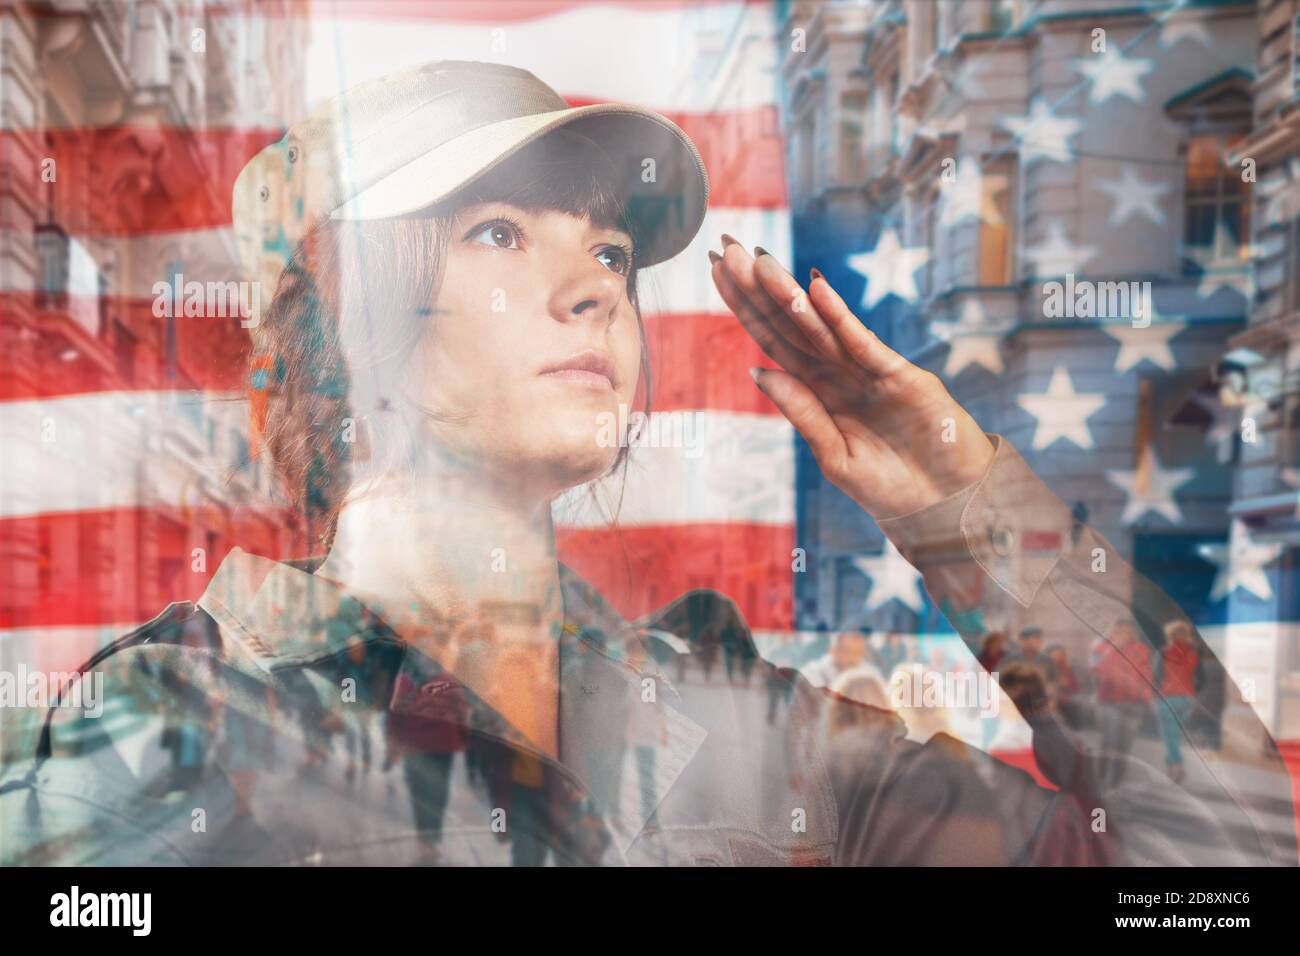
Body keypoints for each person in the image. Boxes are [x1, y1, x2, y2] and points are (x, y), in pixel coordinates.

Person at [2, 60, 1294, 868]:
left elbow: (1221, 857)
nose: (593, 288)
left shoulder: (755, 733)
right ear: (347, 326)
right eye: (498, 233)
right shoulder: (182, 727)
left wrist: (967, 511)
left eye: (610, 252)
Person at [1090, 621, 1152, 786]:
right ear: (1113, 631)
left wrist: (1146, 696)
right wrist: (1113, 648)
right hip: (1109, 701)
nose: (1124, 634)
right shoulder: (1102, 646)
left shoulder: (1141, 648)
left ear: (1132, 633)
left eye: (1127, 631)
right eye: (1119, 631)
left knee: (1124, 746)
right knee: (1108, 741)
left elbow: (1145, 673)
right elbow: (1098, 669)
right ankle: (1099, 779)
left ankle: (1115, 783)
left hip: (1134, 703)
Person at [1157, 621, 1202, 784]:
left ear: (1170, 635)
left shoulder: (1164, 652)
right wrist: (1192, 691)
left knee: (1169, 735)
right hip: (1187, 699)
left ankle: (1177, 766)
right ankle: (1171, 768)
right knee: (1174, 734)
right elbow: (1201, 679)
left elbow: (1157, 675)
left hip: (1168, 697)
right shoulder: (1194, 653)